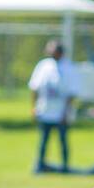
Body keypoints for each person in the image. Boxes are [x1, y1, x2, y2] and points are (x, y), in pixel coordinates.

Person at [29, 39, 76, 172]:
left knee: (62, 141)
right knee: (43, 141)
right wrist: (33, 107)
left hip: (60, 112)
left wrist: (66, 113)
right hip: (45, 111)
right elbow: (34, 87)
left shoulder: (69, 68)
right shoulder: (43, 66)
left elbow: (71, 93)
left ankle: (65, 167)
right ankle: (40, 165)